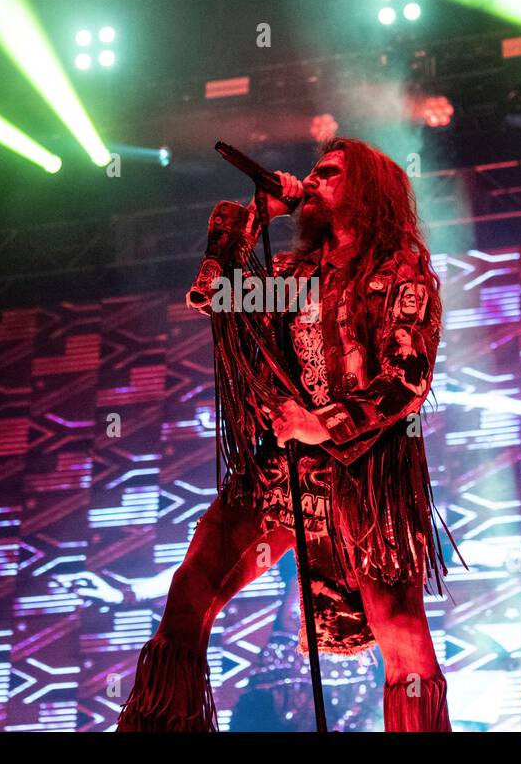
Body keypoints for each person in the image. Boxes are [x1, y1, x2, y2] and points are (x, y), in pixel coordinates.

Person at [116, 137, 455, 732]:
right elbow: (213, 296)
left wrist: (320, 423)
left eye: (330, 172)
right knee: (193, 584)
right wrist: (256, 217)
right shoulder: (292, 276)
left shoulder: (398, 268)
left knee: (400, 632)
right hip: (282, 471)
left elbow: (406, 379)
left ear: (368, 189)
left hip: (366, 478)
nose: (314, 179)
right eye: (315, 170)